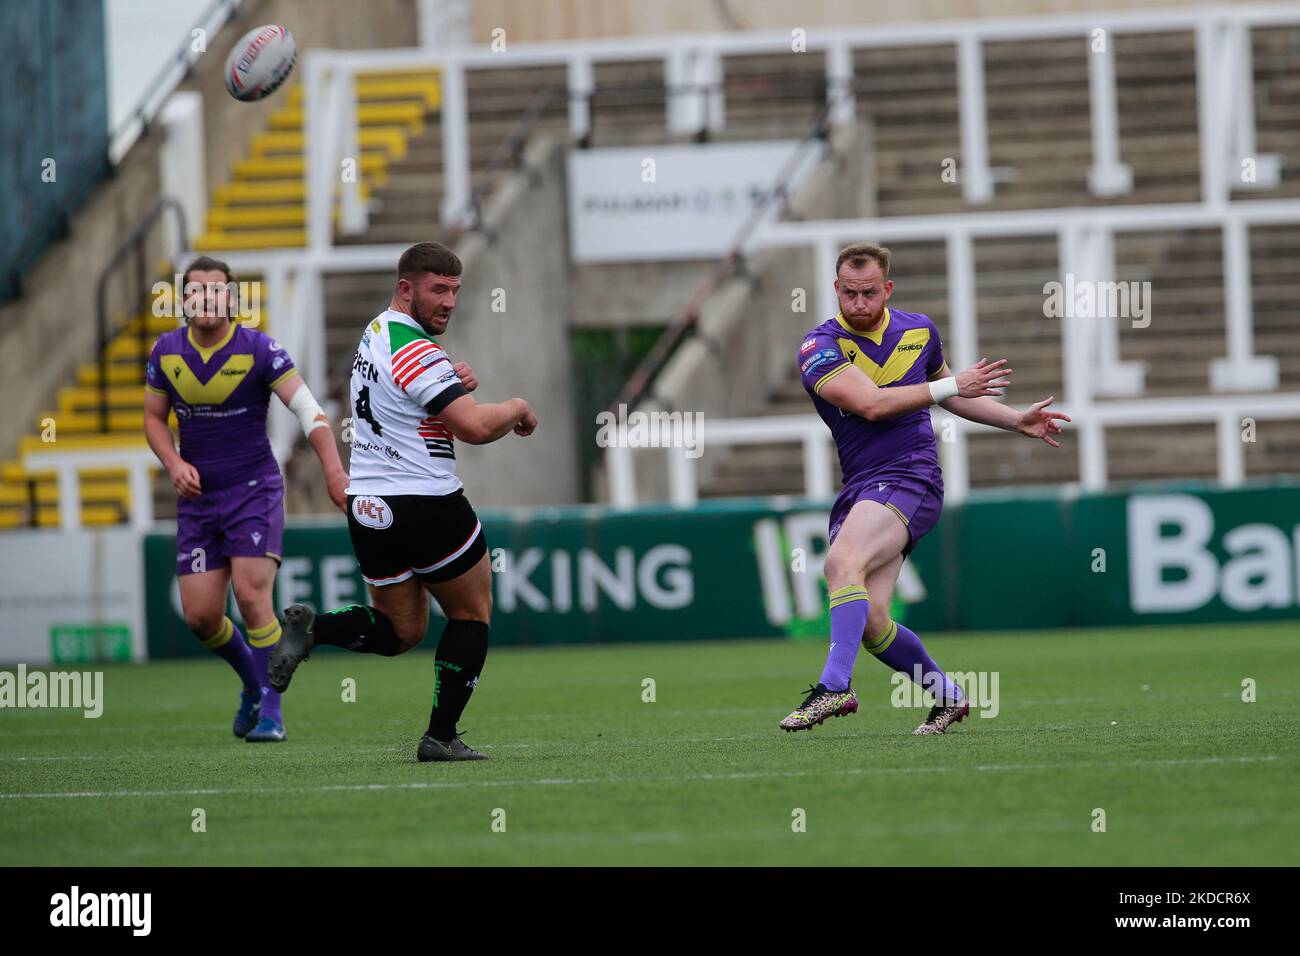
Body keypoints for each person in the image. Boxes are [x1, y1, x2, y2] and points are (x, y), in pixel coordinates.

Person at [780, 242, 1069, 735]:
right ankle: (948, 698)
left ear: (887, 288)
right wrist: (952, 385)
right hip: (863, 483)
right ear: (836, 290)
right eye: (849, 293)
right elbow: (872, 404)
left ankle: (834, 688)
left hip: (912, 475)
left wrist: (1015, 419)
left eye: (869, 292)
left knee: (839, 564)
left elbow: (951, 397)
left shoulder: (919, 330)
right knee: (871, 621)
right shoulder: (818, 347)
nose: (859, 303)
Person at [269, 241, 537, 762]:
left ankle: (314, 628)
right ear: (405, 288)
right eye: (438, 289)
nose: (449, 302)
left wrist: (449, 387)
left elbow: (401, 409)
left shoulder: (374, 333)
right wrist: (518, 407)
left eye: (455, 291)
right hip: (425, 502)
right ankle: (441, 737)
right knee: (471, 615)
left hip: (369, 507)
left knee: (401, 630)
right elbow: (476, 428)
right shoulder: (417, 350)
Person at [143, 256, 348, 742]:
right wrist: (174, 464)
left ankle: (272, 715)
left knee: (252, 595)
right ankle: (253, 684)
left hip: (253, 491)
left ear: (231, 298)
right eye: (197, 291)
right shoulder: (166, 352)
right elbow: (154, 419)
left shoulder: (260, 349)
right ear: (184, 299)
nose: (207, 299)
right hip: (198, 502)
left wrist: (333, 469)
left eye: (217, 290)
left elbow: (308, 410)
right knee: (200, 618)